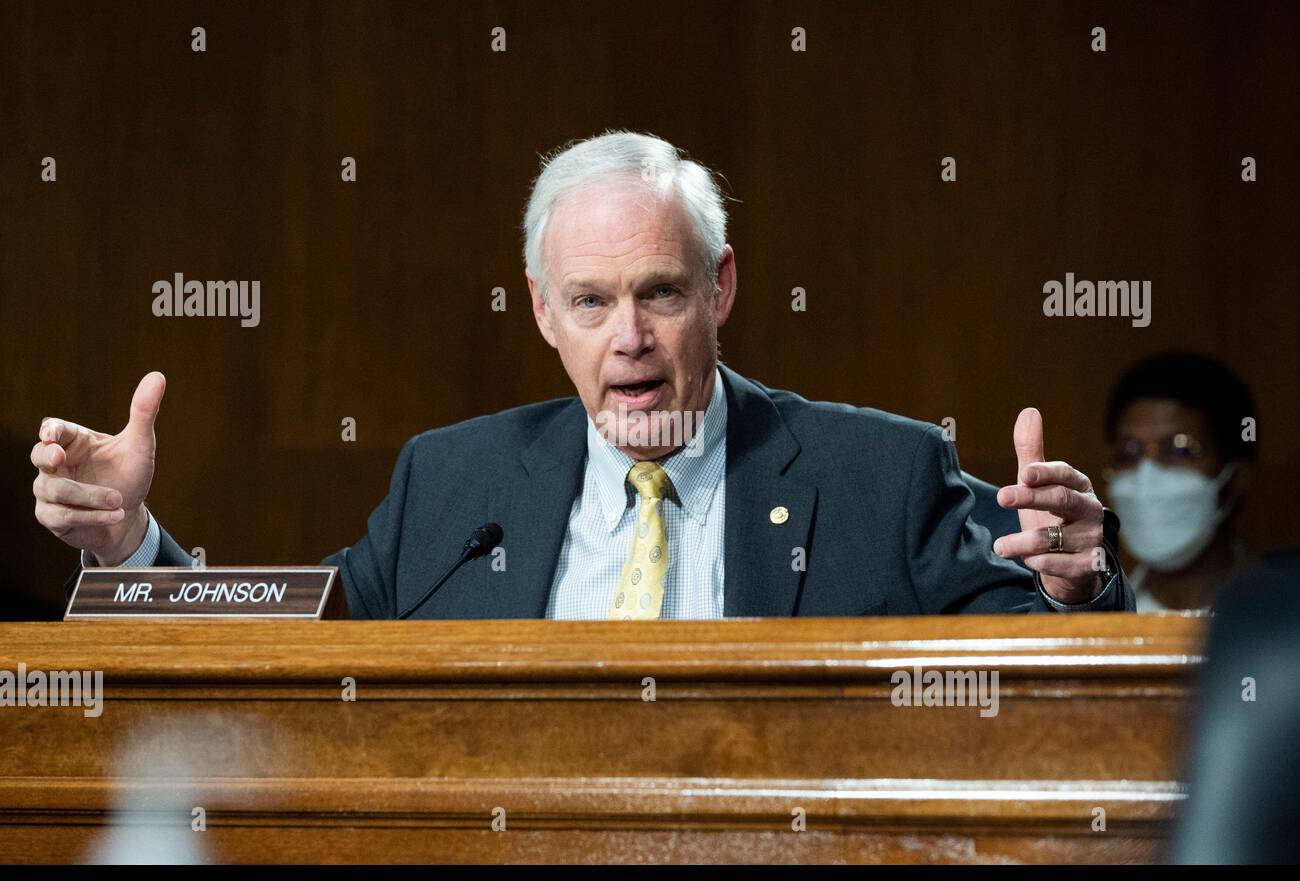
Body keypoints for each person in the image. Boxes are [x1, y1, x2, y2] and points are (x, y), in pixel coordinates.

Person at [30, 131, 1132, 619]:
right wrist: (132, 547)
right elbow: (293, 650)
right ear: (544, 312)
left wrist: (1074, 579)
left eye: (659, 291)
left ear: (722, 290)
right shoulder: (449, 485)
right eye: (593, 302)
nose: (630, 337)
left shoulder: (878, 472)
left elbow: (1053, 660)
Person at [1104, 353, 1256, 614]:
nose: (1146, 475)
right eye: (1129, 453)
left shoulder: (1283, 617)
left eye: (1180, 449)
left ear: (1236, 475)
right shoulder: (1097, 625)